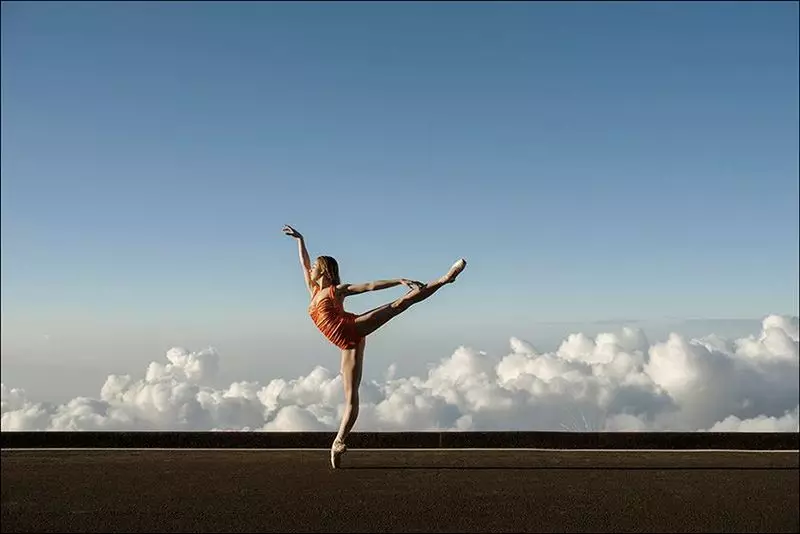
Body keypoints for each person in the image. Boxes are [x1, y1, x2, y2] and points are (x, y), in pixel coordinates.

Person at [282, 224, 466, 468]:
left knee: (397, 305)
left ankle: (445, 279)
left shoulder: (336, 291)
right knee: (350, 397)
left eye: (316, 267)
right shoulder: (313, 290)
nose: (311, 269)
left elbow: (368, 286)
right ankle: (338, 442)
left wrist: (397, 280)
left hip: (353, 328)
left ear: (324, 270)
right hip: (346, 345)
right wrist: (300, 240)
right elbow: (304, 263)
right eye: (313, 267)